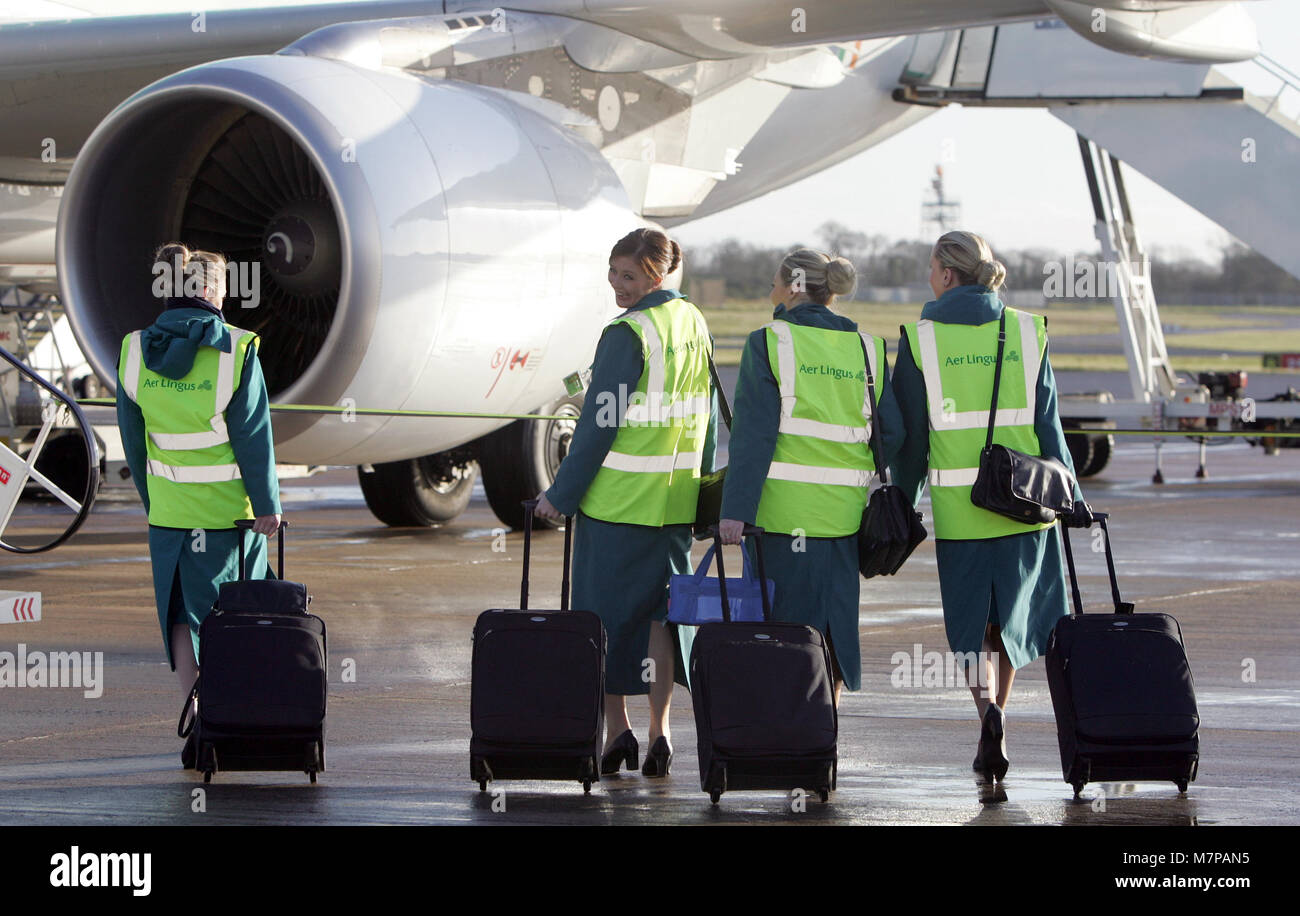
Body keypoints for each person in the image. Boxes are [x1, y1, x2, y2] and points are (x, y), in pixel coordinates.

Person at [891, 230, 1092, 782]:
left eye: (931, 267)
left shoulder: (920, 338)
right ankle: (1001, 708)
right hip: (1027, 507)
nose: (928, 277)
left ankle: (986, 712)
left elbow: (909, 442)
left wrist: (901, 503)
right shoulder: (1029, 331)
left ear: (948, 274)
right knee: (1009, 624)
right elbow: (1049, 423)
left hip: (961, 513)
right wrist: (1069, 491)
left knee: (973, 626)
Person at [535, 228, 718, 778]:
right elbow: (703, 413)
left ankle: (619, 732)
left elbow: (597, 427)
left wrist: (559, 495)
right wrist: (704, 484)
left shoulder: (626, 333)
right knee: (661, 619)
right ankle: (662, 732)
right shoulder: (693, 321)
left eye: (629, 276)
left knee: (602, 619)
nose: (618, 286)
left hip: (617, 508)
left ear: (655, 276)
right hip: (674, 504)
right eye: (613, 274)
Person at [116, 243, 283, 767]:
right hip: (230, 519)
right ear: (212, 291)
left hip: (169, 516)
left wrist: (156, 500)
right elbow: (254, 437)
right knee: (235, 617)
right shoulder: (236, 350)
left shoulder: (135, 349)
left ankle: (201, 718)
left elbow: (132, 440)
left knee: (182, 618)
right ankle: (233, 719)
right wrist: (268, 506)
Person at [717, 248, 904, 708]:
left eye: (775, 282)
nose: (771, 291)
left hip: (780, 521)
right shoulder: (867, 347)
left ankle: (790, 732)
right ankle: (825, 727)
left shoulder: (770, 342)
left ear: (795, 287)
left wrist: (734, 511)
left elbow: (752, 438)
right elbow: (893, 433)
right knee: (833, 629)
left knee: (782, 632)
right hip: (843, 521)